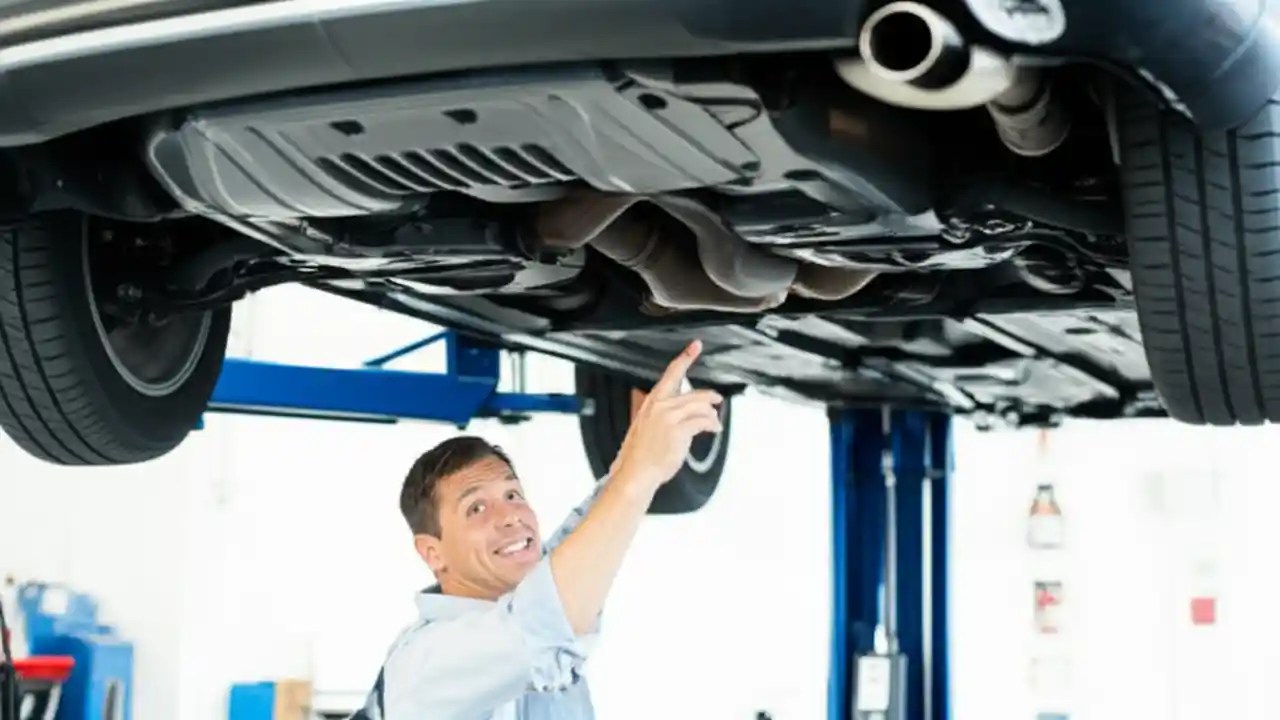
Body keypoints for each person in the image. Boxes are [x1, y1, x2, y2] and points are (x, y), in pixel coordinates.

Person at [350, 339, 724, 720]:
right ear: (433, 553)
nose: (510, 516)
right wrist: (639, 472)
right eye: (476, 508)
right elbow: (548, 621)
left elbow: (565, 564)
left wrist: (630, 459)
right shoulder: (426, 665)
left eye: (512, 494)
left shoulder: (519, 603)